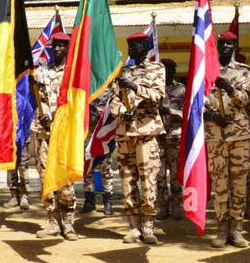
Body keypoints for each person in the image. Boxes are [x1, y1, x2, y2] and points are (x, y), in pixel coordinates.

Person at [204, 32, 250, 248]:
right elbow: (195, 101)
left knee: (239, 186)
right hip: (215, 135)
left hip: (239, 135)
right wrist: (210, 115)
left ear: (235, 45)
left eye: (230, 43)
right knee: (220, 185)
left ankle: (236, 230)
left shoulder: (244, 72)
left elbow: (245, 100)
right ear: (217, 45)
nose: (226, 46)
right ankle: (221, 230)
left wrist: (228, 87)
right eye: (223, 42)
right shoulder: (206, 70)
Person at [113, 32, 167, 244]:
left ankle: (148, 226)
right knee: (127, 181)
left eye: (134, 45)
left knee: (148, 180)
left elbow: (157, 96)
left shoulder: (157, 69)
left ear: (144, 46)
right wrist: (120, 112)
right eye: (129, 45)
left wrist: (134, 87)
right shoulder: (123, 71)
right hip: (125, 133)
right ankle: (134, 227)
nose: (130, 49)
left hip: (146, 132)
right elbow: (114, 101)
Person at [32, 31, 79, 240]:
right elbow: (37, 95)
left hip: (64, 134)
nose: (57, 48)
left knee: (65, 179)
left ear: (68, 48)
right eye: (55, 45)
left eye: (62, 45)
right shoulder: (42, 72)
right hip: (44, 132)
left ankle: (68, 224)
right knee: (45, 178)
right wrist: (42, 115)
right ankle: (52, 222)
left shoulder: (73, 75)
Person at [81, 86, 117, 215]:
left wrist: (94, 108)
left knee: (105, 169)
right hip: (87, 134)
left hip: (102, 136)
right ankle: (89, 200)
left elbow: (110, 113)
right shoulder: (88, 88)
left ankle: (108, 201)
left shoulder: (110, 91)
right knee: (87, 168)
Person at [159, 59, 185, 219]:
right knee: (159, 176)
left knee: (175, 176)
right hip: (157, 137)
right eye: (163, 69)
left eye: (169, 69)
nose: (166, 72)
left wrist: (169, 111)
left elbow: (188, 114)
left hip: (175, 137)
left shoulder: (181, 90)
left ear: (174, 71)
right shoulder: (155, 89)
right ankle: (163, 207)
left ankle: (177, 206)